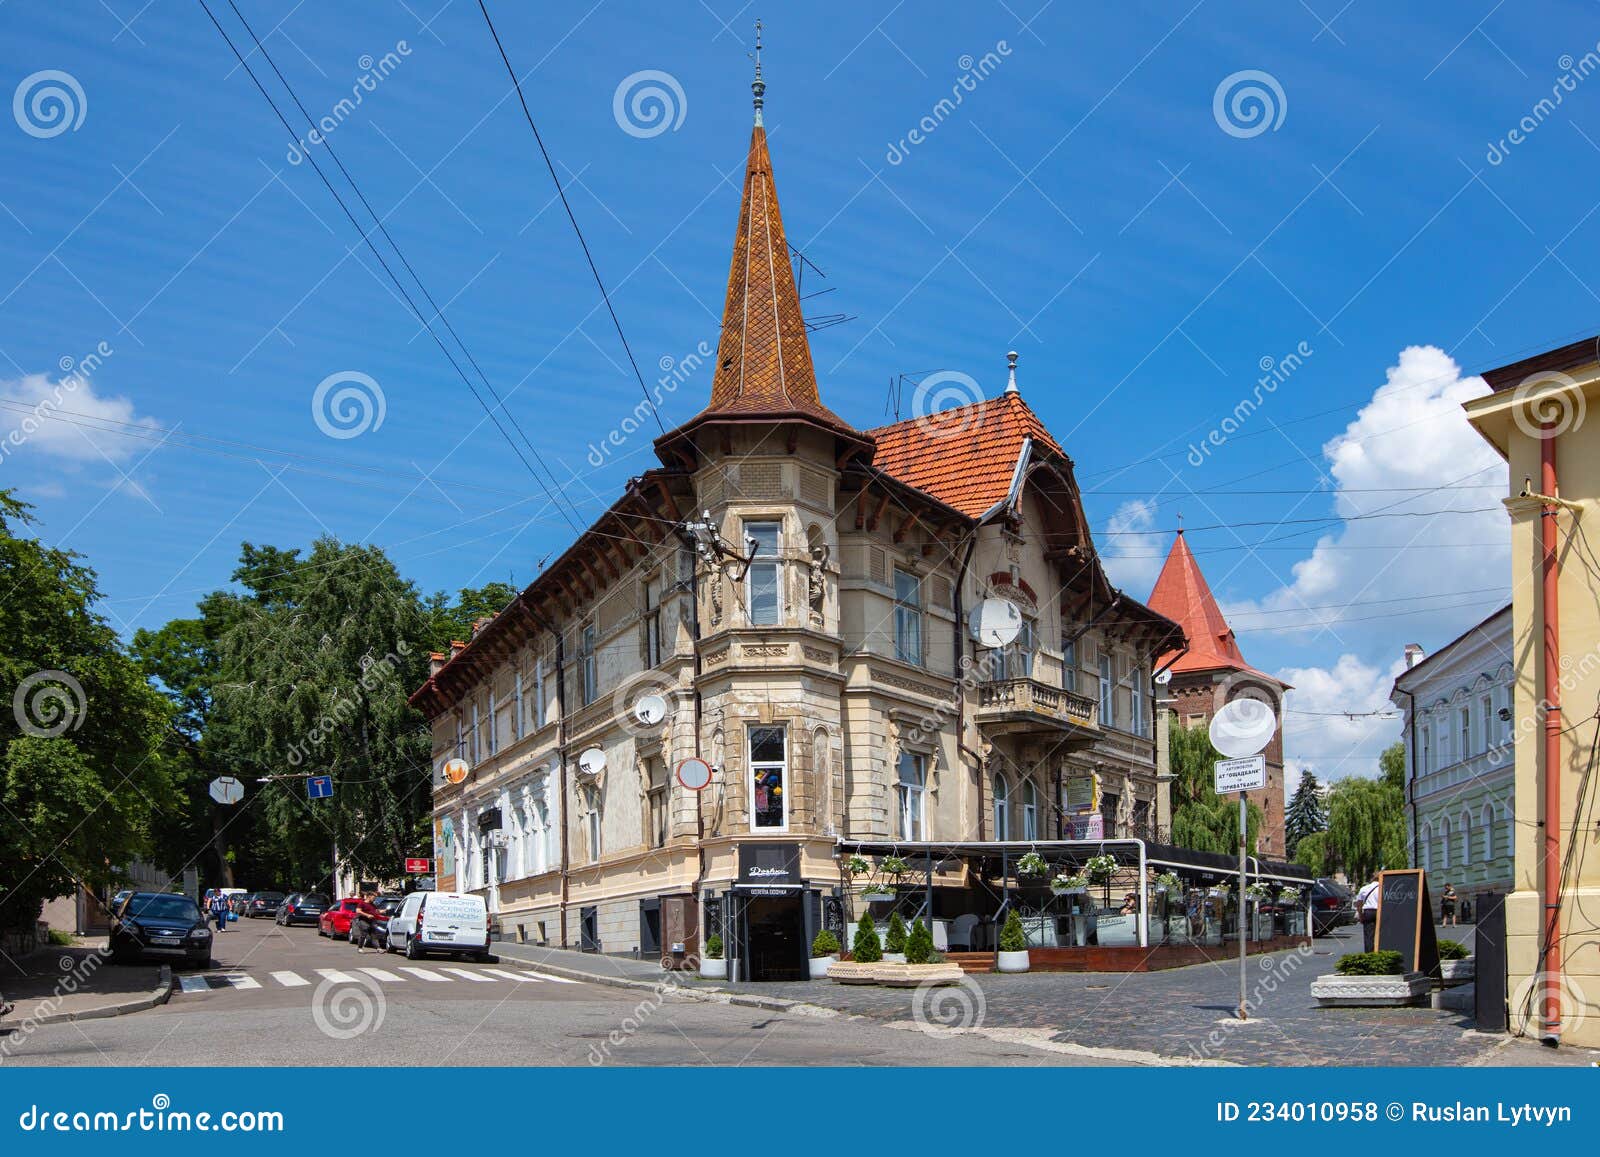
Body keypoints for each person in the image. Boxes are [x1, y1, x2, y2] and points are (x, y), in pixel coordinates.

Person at [1355, 870, 1382, 951]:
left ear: (1372, 879)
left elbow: (1359, 904)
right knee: (1381, 933)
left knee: (1369, 935)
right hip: (1380, 911)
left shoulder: (1364, 888)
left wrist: (1360, 915)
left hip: (1368, 911)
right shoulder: (1383, 887)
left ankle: (1369, 953)